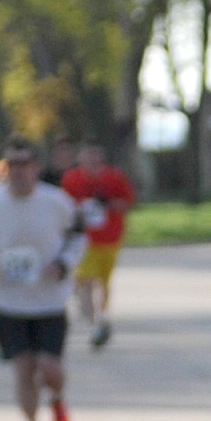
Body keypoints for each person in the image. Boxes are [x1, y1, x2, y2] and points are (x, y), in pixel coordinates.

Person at [0, 136, 86, 421]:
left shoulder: (57, 201)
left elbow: (78, 236)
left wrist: (64, 264)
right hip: (9, 304)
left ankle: (58, 399)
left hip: (49, 303)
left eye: (25, 164)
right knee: (23, 371)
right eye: (13, 165)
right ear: (5, 168)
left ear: (36, 168)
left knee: (49, 367)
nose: (19, 171)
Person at [62, 141, 137, 347]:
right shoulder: (72, 178)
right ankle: (94, 323)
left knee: (103, 282)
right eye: (88, 156)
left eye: (96, 156)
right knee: (85, 281)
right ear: (81, 158)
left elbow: (129, 203)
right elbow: (64, 207)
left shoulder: (115, 177)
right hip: (83, 239)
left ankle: (102, 317)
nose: (92, 161)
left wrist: (109, 203)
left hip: (110, 238)